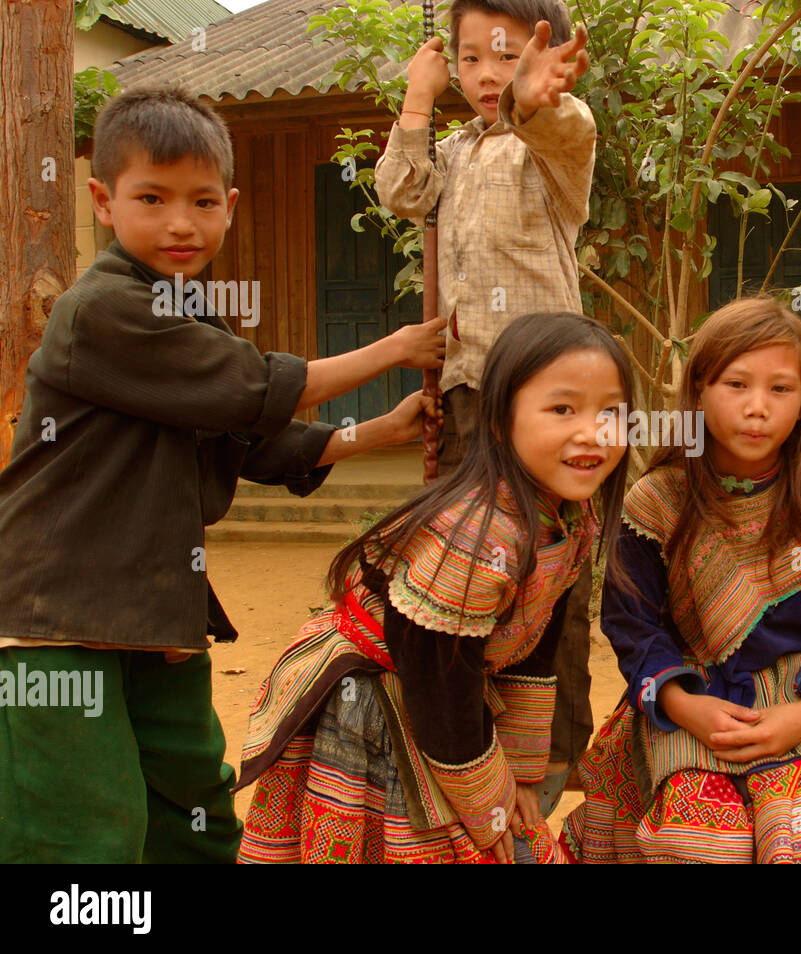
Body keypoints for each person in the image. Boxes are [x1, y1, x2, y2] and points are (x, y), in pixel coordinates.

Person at [0, 86, 444, 863]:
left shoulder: (190, 313)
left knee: (194, 810)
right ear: (103, 202)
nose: (181, 222)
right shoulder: (100, 308)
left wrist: (379, 431)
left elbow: (252, 442)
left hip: (156, 614)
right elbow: (247, 387)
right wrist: (394, 349)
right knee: (82, 830)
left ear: (230, 206)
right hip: (57, 615)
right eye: (152, 198)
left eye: (203, 201)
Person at [236, 311, 631, 863]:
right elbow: (438, 680)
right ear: (500, 421)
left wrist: (518, 772)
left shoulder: (572, 518)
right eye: (562, 408)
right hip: (380, 703)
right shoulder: (476, 535)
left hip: (449, 707)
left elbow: (535, 645)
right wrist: (489, 802)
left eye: (610, 412)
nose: (592, 433)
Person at [562, 297, 801, 863]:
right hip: (690, 695)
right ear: (698, 393)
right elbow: (631, 627)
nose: (757, 408)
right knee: (699, 839)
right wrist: (685, 705)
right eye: (736, 384)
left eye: (781, 389)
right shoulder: (657, 501)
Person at [376, 0, 597, 804]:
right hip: (472, 394)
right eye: (470, 59)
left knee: (553, 581)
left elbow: (564, 128)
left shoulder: (553, 146)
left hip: (553, 403)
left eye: (507, 57)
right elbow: (401, 190)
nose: (487, 76)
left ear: (548, 58)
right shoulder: (456, 151)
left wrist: (540, 102)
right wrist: (417, 96)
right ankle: (476, 752)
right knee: (470, 575)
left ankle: (555, 764)